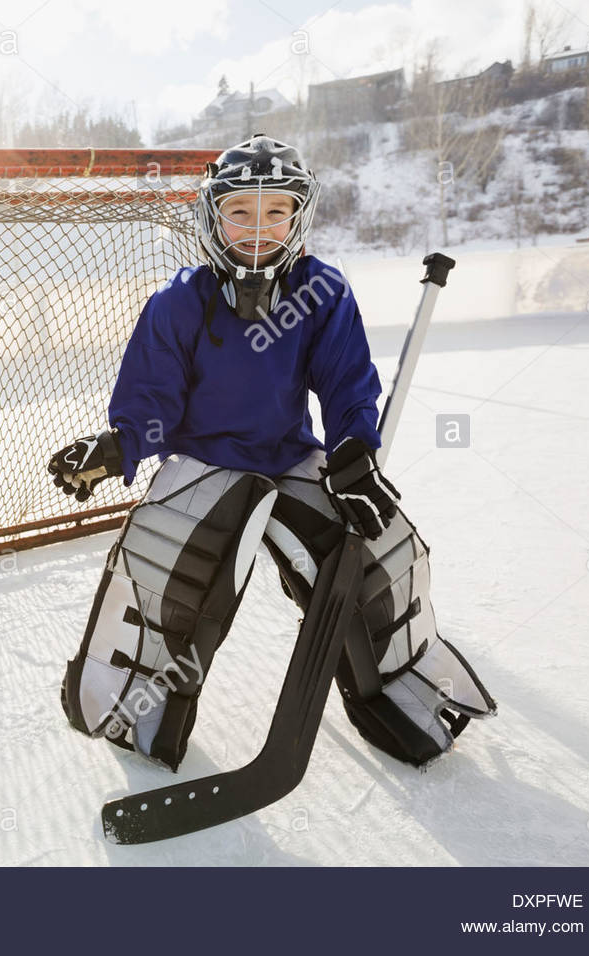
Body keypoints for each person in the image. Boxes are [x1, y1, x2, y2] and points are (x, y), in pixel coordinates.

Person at [50, 134, 495, 772]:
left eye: (276, 211)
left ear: (298, 217)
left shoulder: (321, 291)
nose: (258, 227)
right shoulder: (179, 302)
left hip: (288, 456)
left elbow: (346, 382)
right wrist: (121, 444)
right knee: (168, 568)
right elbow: (154, 399)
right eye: (240, 211)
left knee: (379, 548)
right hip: (204, 462)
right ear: (212, 217)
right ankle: (135, 706)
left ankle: (402, 691)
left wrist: (353, 450)